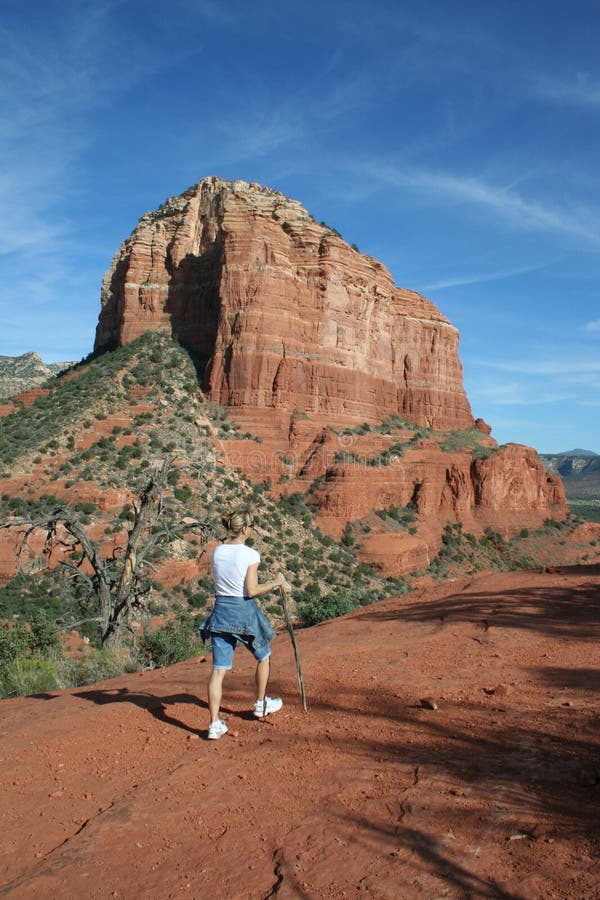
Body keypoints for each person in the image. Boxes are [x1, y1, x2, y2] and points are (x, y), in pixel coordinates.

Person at [200, 508, 288, 740]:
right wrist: (275, 582)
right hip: (243, 610)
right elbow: (251, 590)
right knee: (264, 655)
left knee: (218, 671)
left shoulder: (217, 552)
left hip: (220, 612)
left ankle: (214, 724)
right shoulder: (250, 554)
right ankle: (260, 703)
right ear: (246, 529)